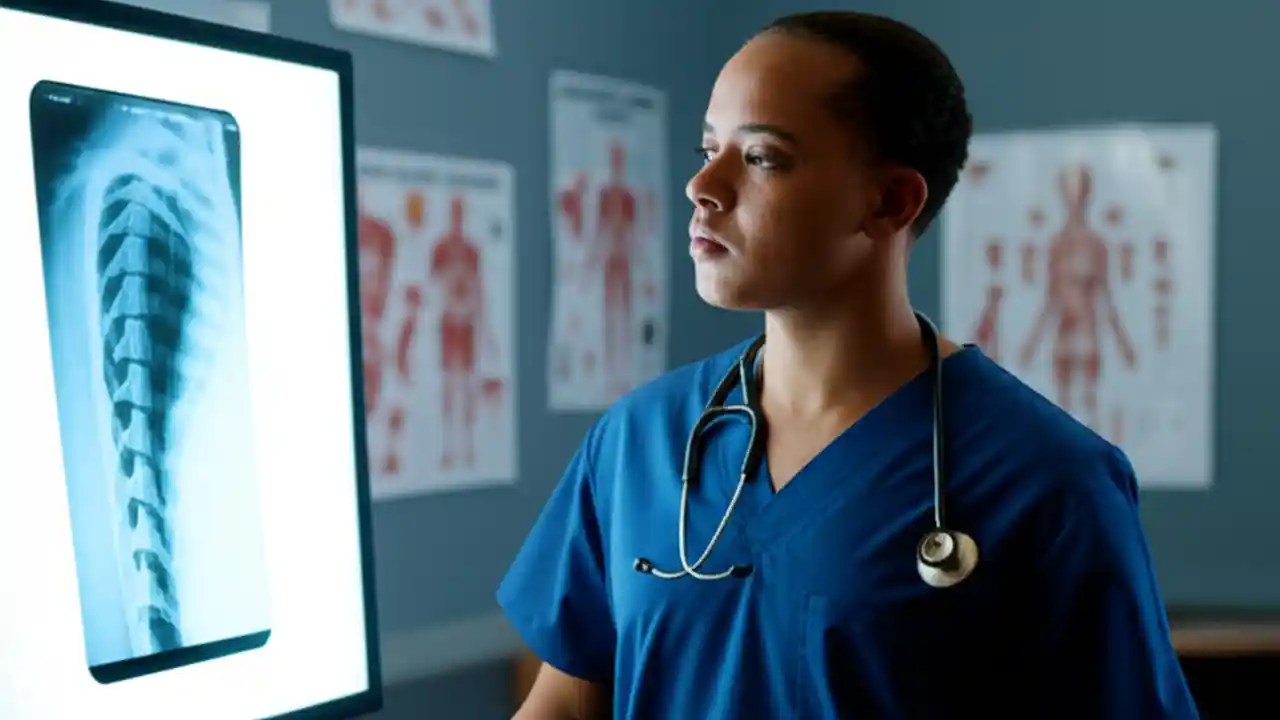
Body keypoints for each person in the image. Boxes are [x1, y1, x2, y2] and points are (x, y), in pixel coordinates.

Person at [497, 10, 1198, 719]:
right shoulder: (639, 440)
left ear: (889, 201)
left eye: (762, 157)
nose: (704, 185)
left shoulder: (1046, 481)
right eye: (709, 148)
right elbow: (565, 704)